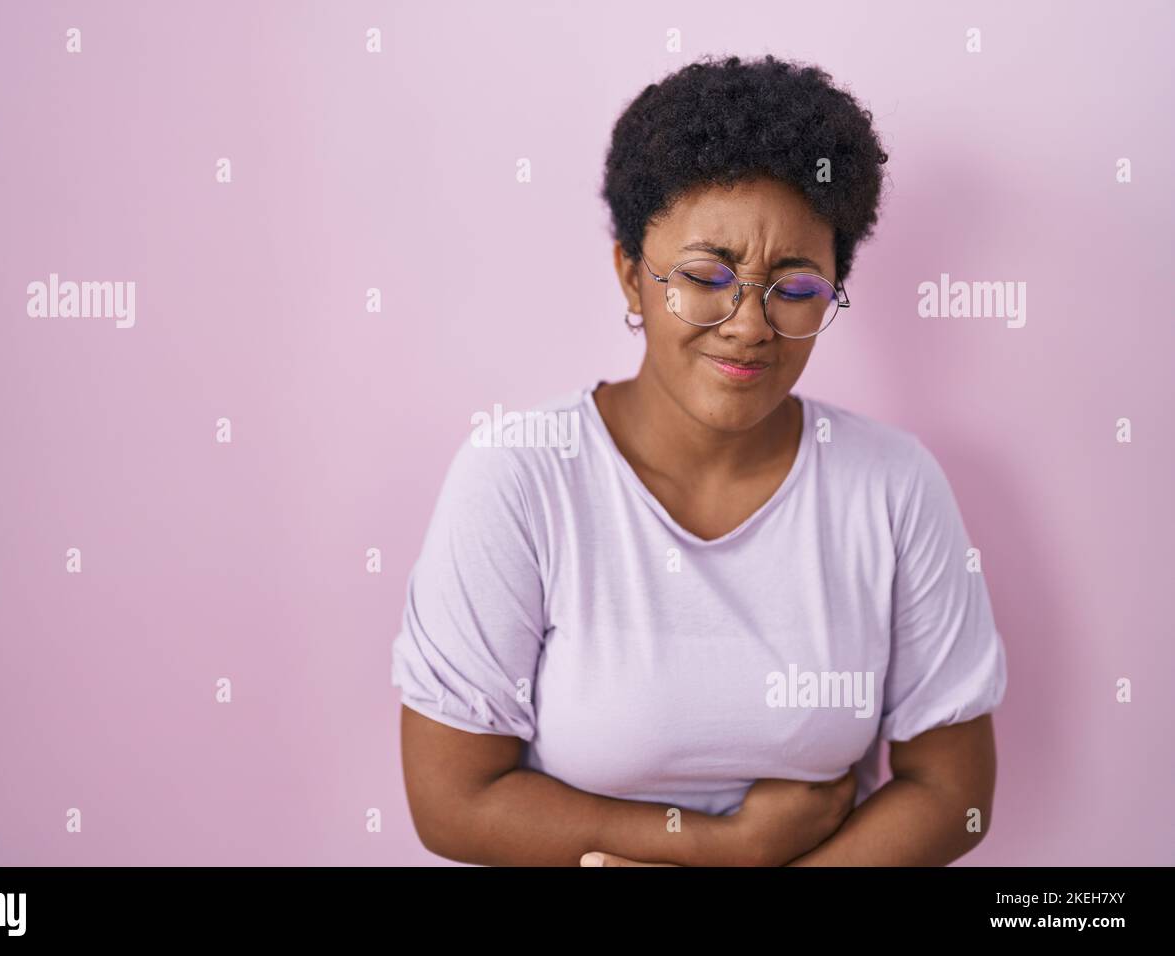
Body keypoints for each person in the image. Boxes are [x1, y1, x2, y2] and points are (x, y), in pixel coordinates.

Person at [391, 53, 1007, 866]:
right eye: (706, 276)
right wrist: (728, 848)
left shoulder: (891, 485)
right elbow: (453, 800)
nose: (749, 325)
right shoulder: (519, 476)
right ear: (629, 276)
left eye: (795, 288)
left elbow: (952, 793)